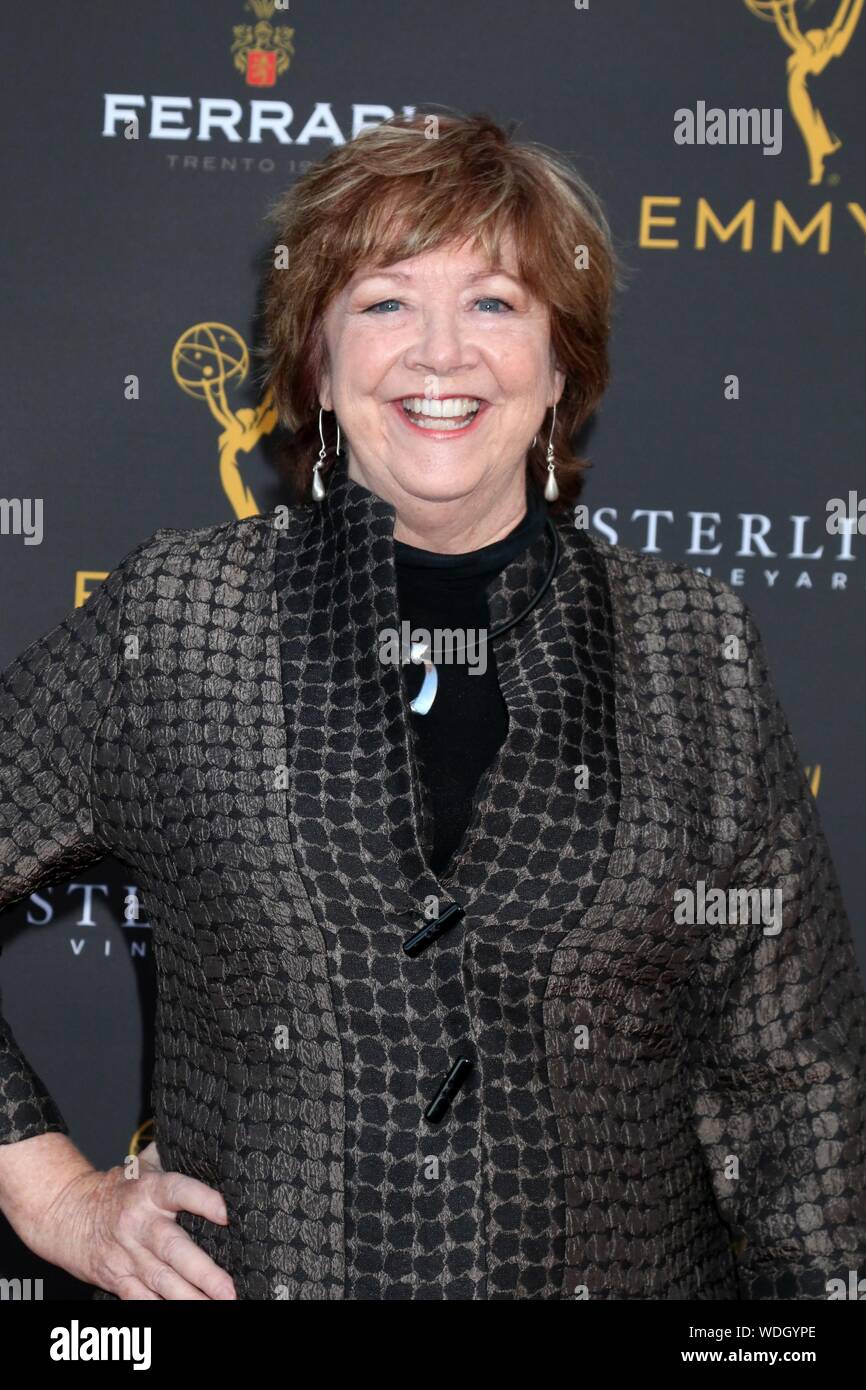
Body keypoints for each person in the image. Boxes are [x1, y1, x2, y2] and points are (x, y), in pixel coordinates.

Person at [1, 112, 864, 1301]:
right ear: (314, 358)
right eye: (385, 301)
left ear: (563, 367)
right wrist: (53, 1193)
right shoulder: (180, 618)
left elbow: (794, 1086)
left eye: (496, 303)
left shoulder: (687, 646)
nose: (439, 354)